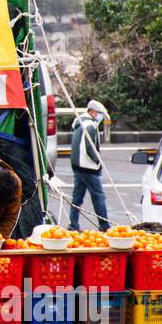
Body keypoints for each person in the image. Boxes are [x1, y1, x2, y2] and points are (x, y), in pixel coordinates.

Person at [70, 99, 110, 231]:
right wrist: (98, 162)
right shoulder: (90, 126)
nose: (100, 117)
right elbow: (90, 147)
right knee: (99, 197)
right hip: (89, 168)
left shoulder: (80, 122)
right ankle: (104, 226)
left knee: (77, 198)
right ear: (92, 112)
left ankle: (73, 225)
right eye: (99, 114)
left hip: (77, 166)